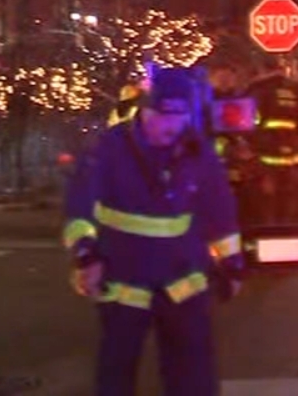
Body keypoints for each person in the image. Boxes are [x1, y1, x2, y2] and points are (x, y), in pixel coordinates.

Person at [61, 65, 244, 396]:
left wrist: (232, 263)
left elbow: (219, 208)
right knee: (116, 373)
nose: (172, 124)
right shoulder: (111, 149)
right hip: (124, 281)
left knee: (193, 375)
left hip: (183, 282)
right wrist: (86, 254)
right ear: (145, 110)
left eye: (180, 115)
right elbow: (80, 204)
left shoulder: (196, 150)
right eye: (163, 114)